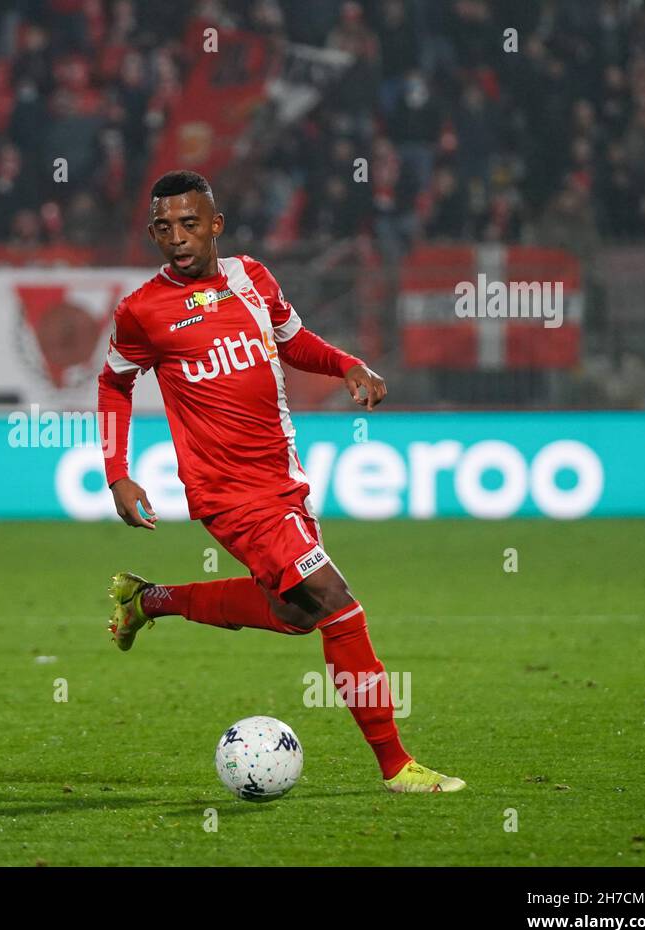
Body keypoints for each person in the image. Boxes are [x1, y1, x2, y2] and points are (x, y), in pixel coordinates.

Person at [98, 170, 464, 793]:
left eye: (190, 224)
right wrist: (117, 474)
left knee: (293, 613)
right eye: (164, 228)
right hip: (228, 494)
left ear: (216, 224)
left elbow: (296, 344)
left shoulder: (253, 279)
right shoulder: (142, 312)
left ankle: (148, 599)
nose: (178, 239)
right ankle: (397, 766)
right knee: (338, 607)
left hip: (283, 482)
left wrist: (348, 364)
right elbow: (114, 383)